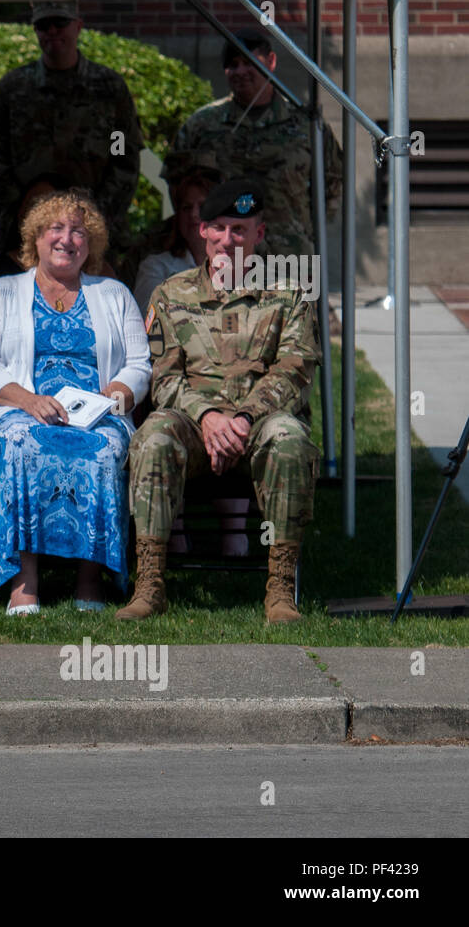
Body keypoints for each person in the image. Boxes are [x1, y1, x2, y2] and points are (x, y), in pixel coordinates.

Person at [122, 179, 319, 624]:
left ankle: (281, 588)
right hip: (195, 424)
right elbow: (163, 376)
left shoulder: (289, 294)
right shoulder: (171, 295)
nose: (229, 240)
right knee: (152, 436)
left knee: (288, 438)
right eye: (220, 228)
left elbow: (294, 370)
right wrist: (208, 416)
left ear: (259, 235)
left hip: (261, 422)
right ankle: (149, 583)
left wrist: (245, 417)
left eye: (240, 230)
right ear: (203, 230)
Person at [0, 190, 149, 614]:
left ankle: (90, 583)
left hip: (97, 415)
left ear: (92, 244)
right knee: (17, 442)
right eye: (56, 228)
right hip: (21, 410)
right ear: (36, 237)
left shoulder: (114, 294)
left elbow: (139, 363)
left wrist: (114, 396)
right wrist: (28, 401)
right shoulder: (3, 292)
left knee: (105, 450)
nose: (67, 239)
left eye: (78, 232)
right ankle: (24, 585)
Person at [0, 0, 142, 256]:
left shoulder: (109, 88)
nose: (51, 31)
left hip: (96, 237)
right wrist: (17, 212)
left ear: (78, 26)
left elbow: (125, 159)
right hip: (21, 236)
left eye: (59, 23)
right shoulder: (14, 87)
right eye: (43, 25)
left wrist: (94, 217)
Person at [162, 28, 342, 258]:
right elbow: (177, 185)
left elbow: (333, 182)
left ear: (271, 61)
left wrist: (303, 231)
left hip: (289, 260)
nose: (241, 71)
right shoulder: (202, 125)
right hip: (225, 260)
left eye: (249, 62)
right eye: (233, 65)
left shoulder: (306, 125)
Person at [132, 166, 218, 317]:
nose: (193, 214)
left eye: (203, 207)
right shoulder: (156, 268)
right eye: (186, 208)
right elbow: (151, 318)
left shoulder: (239, 266)